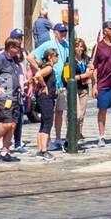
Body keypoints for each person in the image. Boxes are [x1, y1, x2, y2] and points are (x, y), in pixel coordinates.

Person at [30, 21, 69, 149]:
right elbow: (30, 57)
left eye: (65, 32)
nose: (64, 35)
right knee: (47, 116)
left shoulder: (67, 45)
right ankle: (46, 143)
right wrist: (40, 68)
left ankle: (58, 138)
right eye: (61, 32)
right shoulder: (49, 44)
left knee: (59, 112)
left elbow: (68, 61)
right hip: (49, 85)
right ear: (55, 33)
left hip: (61, 84)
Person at [32, 47, 60, 160]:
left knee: (43, 123)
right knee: (48, 122)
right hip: (46, 98)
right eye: (56, 55)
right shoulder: (48, 67)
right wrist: (44, 86)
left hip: (43, 98)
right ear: (50, 57)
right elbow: (38, 75)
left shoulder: (45, 66)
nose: (57, 57)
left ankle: (39, 150)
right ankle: (44, 150)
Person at [67, 37, 94, 135]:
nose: (80, 49)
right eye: (77, 46)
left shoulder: (86, 59)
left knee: (82, 115)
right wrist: (83, 75)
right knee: (76, 115)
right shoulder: (69, 60)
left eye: (82, 46)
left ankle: (78, 135)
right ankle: (71, 134)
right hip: (73, 89)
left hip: (84, 89)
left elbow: (92, 72)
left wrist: (91, 69)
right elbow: (68, 77)